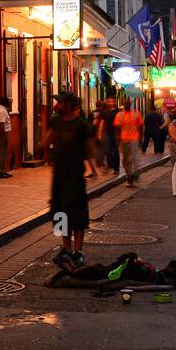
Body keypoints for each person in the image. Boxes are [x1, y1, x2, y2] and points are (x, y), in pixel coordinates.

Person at [46, 90, 98, 267]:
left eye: (59, 103)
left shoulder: (82, 125)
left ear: (69, 105)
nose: (56, 105)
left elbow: (91, 149)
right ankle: (66, 249)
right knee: (59, 213)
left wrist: (96, 164)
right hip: (59, 176)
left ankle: (78, 252)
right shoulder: (56, 122)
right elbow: (47, 140)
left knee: (77, 214)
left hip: (75, 175)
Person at [114, 98, 143, 186]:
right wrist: (118, 138)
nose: (126, 105)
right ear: (123, 104)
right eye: (125, 103)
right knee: (125, 159)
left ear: (130, 104)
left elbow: (140, 126)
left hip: (134, 139)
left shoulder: (136, 114)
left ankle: (134, 172)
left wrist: (141, 138)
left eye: (128, 103)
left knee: (133, 157)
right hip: (124, 139)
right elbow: (117, 127)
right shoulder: (120, 115)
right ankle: (130, 174)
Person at [99, 97, 119, 173]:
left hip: (116, 133)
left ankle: (116, 169)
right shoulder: (104, 112)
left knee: (116, 151)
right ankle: (111, 165)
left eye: (111, 101)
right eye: (108, 101)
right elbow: (102, 122)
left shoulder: (117, 111)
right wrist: (100, 134)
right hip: (108, 133)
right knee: (108, 150)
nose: (110, 103)